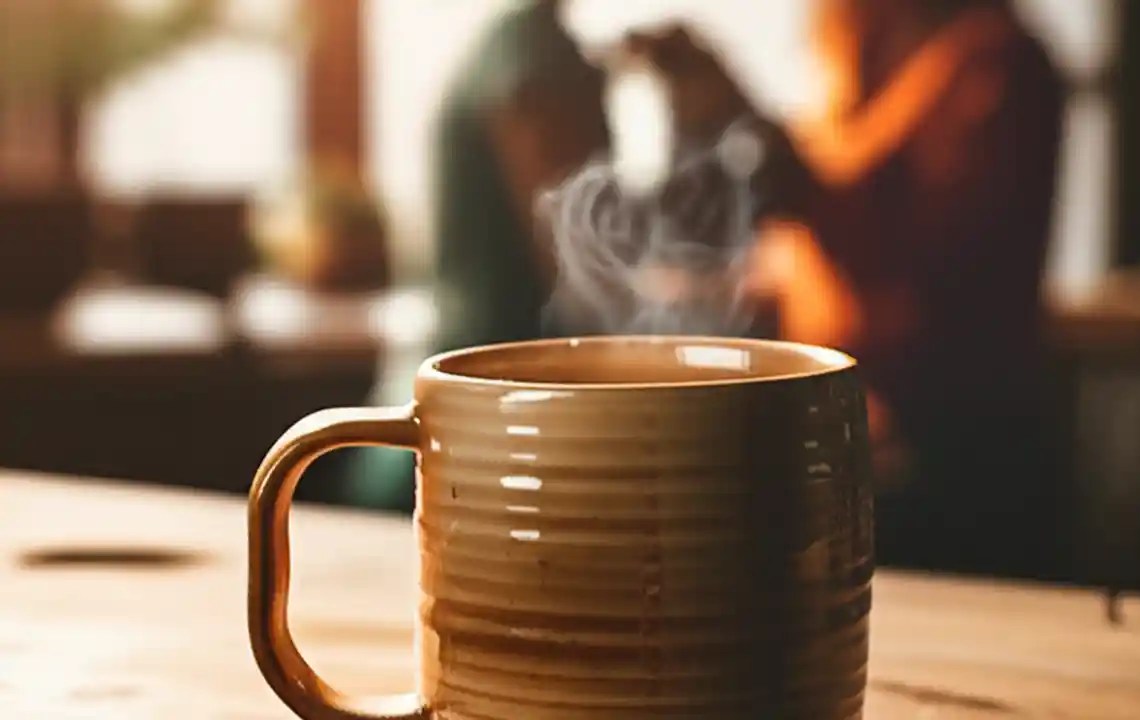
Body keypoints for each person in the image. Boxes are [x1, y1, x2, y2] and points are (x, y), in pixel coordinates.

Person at [628, 0, 1067, 578]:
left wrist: (745, 122)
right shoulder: (866, 72)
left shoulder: (993, 66)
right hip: (853, 443)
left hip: (947, 458)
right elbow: (812, 260)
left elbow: (906, 267)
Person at [346, 0, 610, 511]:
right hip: (494, 389)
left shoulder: (514, 46)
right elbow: (560, 225)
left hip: (462, 371)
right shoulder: (529, 55)